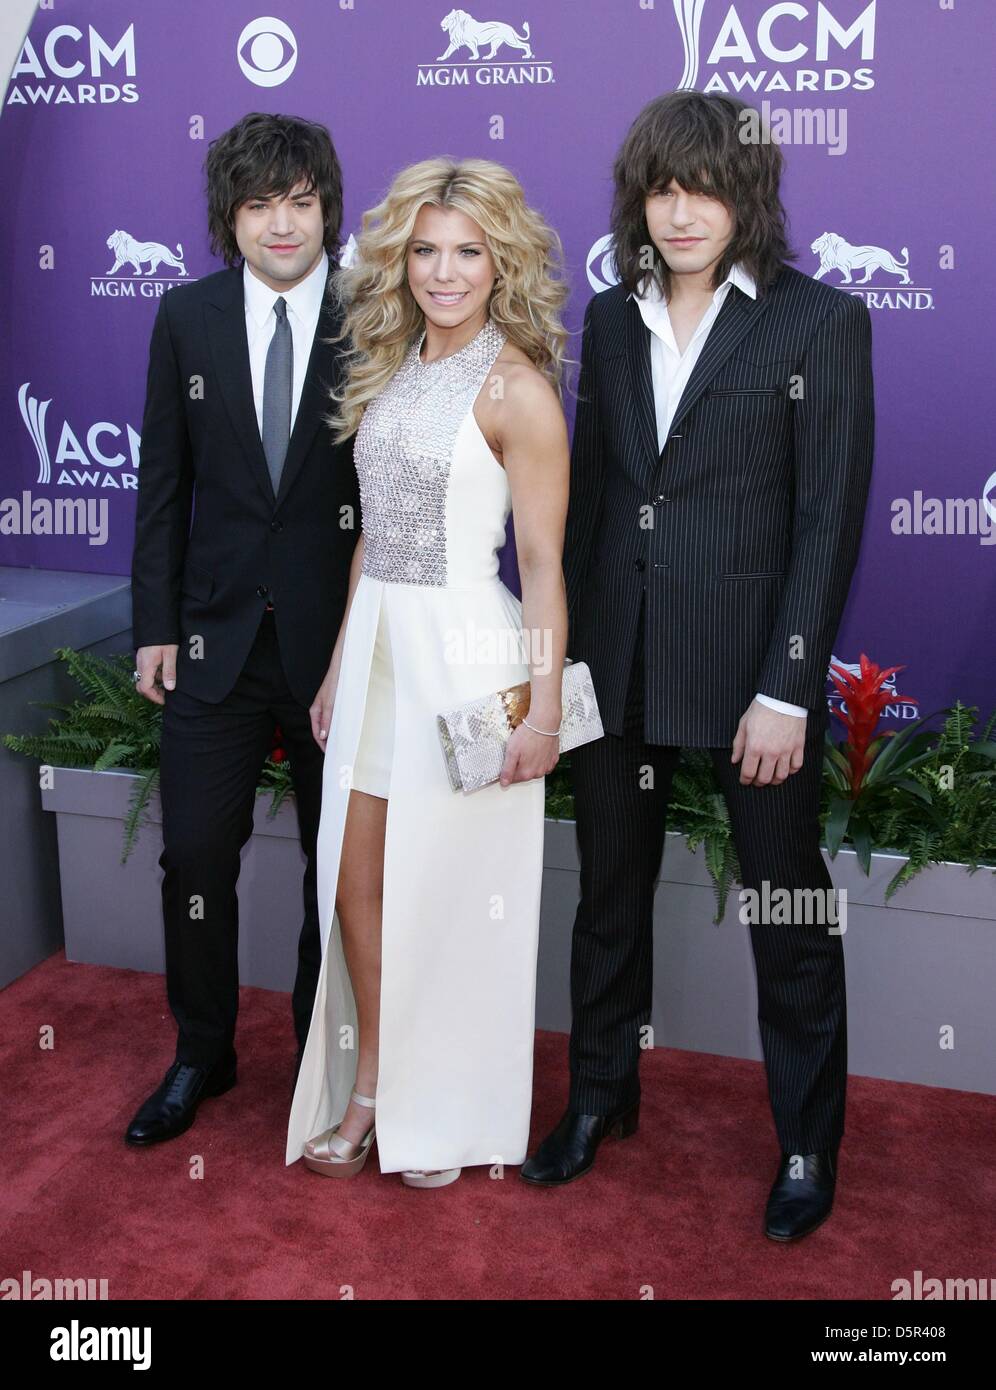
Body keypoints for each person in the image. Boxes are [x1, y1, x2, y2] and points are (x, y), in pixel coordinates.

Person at [521, 91, 874, 1242]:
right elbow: (596, 502)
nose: (680, 213)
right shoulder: (613, 318)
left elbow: (827, 520)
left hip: (745, 678)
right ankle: (598, 1101)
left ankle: (809, 1145)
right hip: (619, 661)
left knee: (787, 913)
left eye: (704, 189)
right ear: (640, 198)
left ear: (747, 197)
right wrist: (561, 659)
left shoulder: (820, 323)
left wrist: (785, 687)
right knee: (608, 903)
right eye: (662, 190)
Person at [285, 156, 570, 1187]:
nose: (444, 271)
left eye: (468, 253)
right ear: (400, 259)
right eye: (425, 251)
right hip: (377, 654)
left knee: (449, 895)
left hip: (467, 661)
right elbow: (371, 539)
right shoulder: (390, 366)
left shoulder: (519, 391)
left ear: (503, 264)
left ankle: (440, 1105)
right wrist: (334, 669)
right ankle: (372, 1087)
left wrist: (541, 711)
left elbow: (540, 567)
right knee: (357, 886)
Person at [126, 113, 360, 1145]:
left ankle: (321, 1053)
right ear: (231, 216)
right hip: (212, 641)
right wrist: (154, 626)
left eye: (300, 203)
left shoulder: (378, 316)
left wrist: (367, 640)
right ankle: (201, 1052)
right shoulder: (187, 316)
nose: (281, 223)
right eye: (261, 204)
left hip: (338, 650)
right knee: (194, 859)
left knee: (335, 864)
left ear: (326, 211)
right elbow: (161, 488)